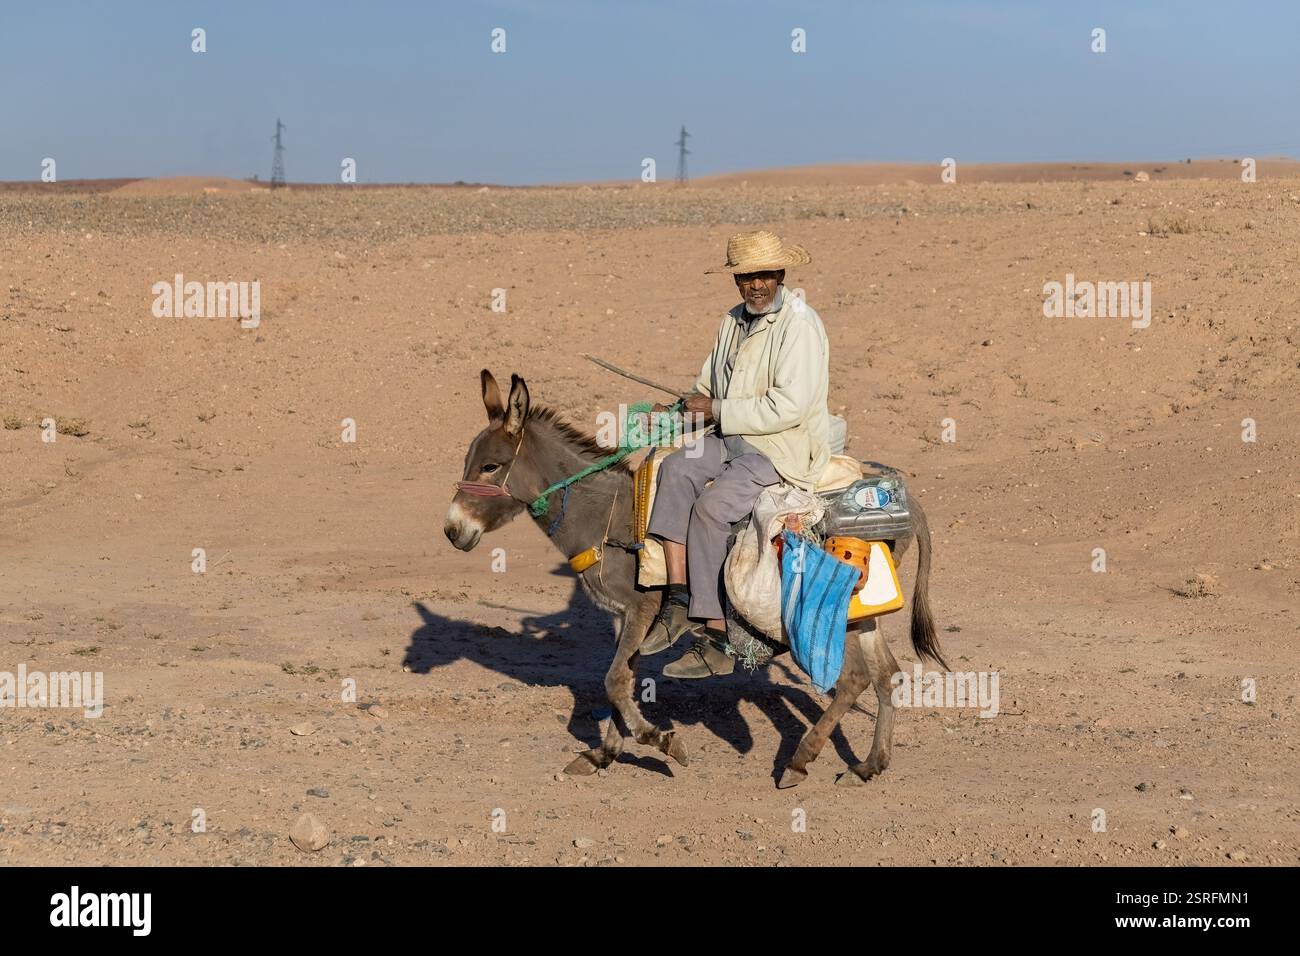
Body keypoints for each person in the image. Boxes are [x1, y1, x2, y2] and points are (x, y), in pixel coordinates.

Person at [643, 230, 831, 678]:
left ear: (781, 274)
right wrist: (677, 410)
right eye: (747, 277)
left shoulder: (799, 324)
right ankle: (677, 598)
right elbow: (709, 387)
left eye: (764, 275)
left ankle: (716, 632)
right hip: (729, 435)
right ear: (736, 281)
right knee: (673, 469)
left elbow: (790, 407)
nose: (756, 285)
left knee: (711, 508)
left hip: (779, 446)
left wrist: (718, 408)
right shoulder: (732, 321)